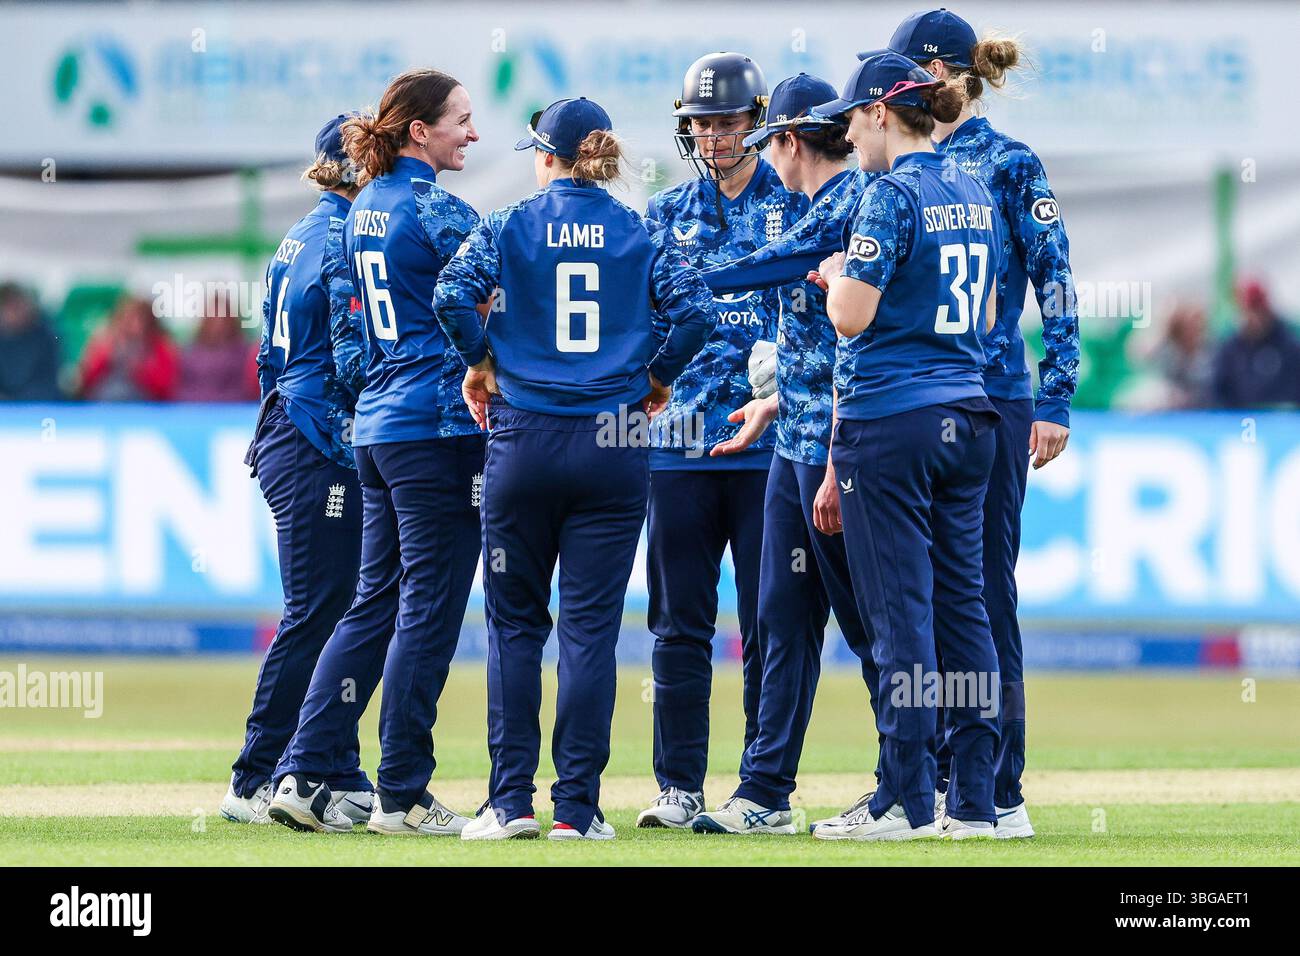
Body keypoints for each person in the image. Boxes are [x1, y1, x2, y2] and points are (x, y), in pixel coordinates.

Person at [434, 98, 714, 841]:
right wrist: (654, 379)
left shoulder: (510, 222)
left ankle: (510, 803)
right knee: (590, 632)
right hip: (614, 438)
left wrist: (483, 361)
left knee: (516, 627)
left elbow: (450, 295)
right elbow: (697, 315)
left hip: (524, 435)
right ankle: (578, 812)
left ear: (548, 155)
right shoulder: (640, 227)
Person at [268, 70, 484, 836]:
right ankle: (402, 793)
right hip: (440, 432)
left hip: (378, 430)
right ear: (419, 130)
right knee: (429, 608)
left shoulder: (358, 210)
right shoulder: (442, 211)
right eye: (461, 119)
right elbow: (501, 309)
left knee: (373, 603)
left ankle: (301, 769)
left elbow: (350, 336)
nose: (473, 132)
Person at [809, 52, 1004, 841]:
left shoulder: (890, 195)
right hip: (970, 414)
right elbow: (989, 311)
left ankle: (906, 798)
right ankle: (978, 803)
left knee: (900, 615)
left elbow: (852, 317)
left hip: (893, 421)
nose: (850, 138)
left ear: (883, 113)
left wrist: (830, 276)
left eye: (854, 120)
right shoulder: (973, 185)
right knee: (966, 608)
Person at [894, 9, 1079, 837]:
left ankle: (999, 786)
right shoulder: (906, 162)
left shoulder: (1007, 161)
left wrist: (1057, 395)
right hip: (913, 399)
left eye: (911, 74)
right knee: (926, 593)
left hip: (994, 396)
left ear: (943, 75)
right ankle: (941, 773)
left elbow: (1056, 275)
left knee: (980, 591)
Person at [685, 74, 881, 834]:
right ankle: (765, 791)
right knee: (780, 619)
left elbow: (765, 278)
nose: (769, 154)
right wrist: (774, 402)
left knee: (868, 625)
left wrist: (656, 283)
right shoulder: (815, 206)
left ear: (790, 140)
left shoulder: (843, 206)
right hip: (794, 443)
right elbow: (808, 340)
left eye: (771, 139)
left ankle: (908, 780)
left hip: (835, 451)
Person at [636, 51, 810, 831]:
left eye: (726, 122)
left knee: (770, 620)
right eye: (699, 123)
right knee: (677, 624)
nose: (711, 136)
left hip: (768, 445)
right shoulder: (662, 215)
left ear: (758, 121)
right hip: (677, 445)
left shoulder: (801, 206)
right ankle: (677, 788)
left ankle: (759, 792)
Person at [220, 115, 372, 827]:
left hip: (294, 429)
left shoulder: (303, 233)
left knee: (338, 609)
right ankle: (259, 777)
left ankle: (331, 771)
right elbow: (344, 363)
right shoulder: (345, 236)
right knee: (321, 609)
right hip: (315, 438)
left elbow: (267, 357)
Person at [1211, 278, 1300, 408]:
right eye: (1249, 310)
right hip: (1241, 422)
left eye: (1258, 309)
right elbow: (1219, 390)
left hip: (1283, 421)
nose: (1254, 316)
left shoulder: (1288, 344)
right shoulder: (1229, 349)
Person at [78, 296, 179, 401]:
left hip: (145, 405)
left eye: (137, 318)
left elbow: (165, 387)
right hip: (104, 402)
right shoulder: (105, 341)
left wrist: (140, 369)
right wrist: (105, 355)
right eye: (127, 318)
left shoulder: (160, 346)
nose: (131, 323)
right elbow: (86, 379)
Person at [177, 299, 260, 402]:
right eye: (214, 317)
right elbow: (180, 390)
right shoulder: (189, 354)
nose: (218, 323)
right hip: (193, 410)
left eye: (222, 318)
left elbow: (247, 391)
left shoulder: (244, 355)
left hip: (233, 410)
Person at [0, 283, 62, 401]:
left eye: (19, 306)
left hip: (36, 407)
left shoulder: (47, 337)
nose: (17, 312)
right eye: (11, 307)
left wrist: (14, 401)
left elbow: (47, 385)